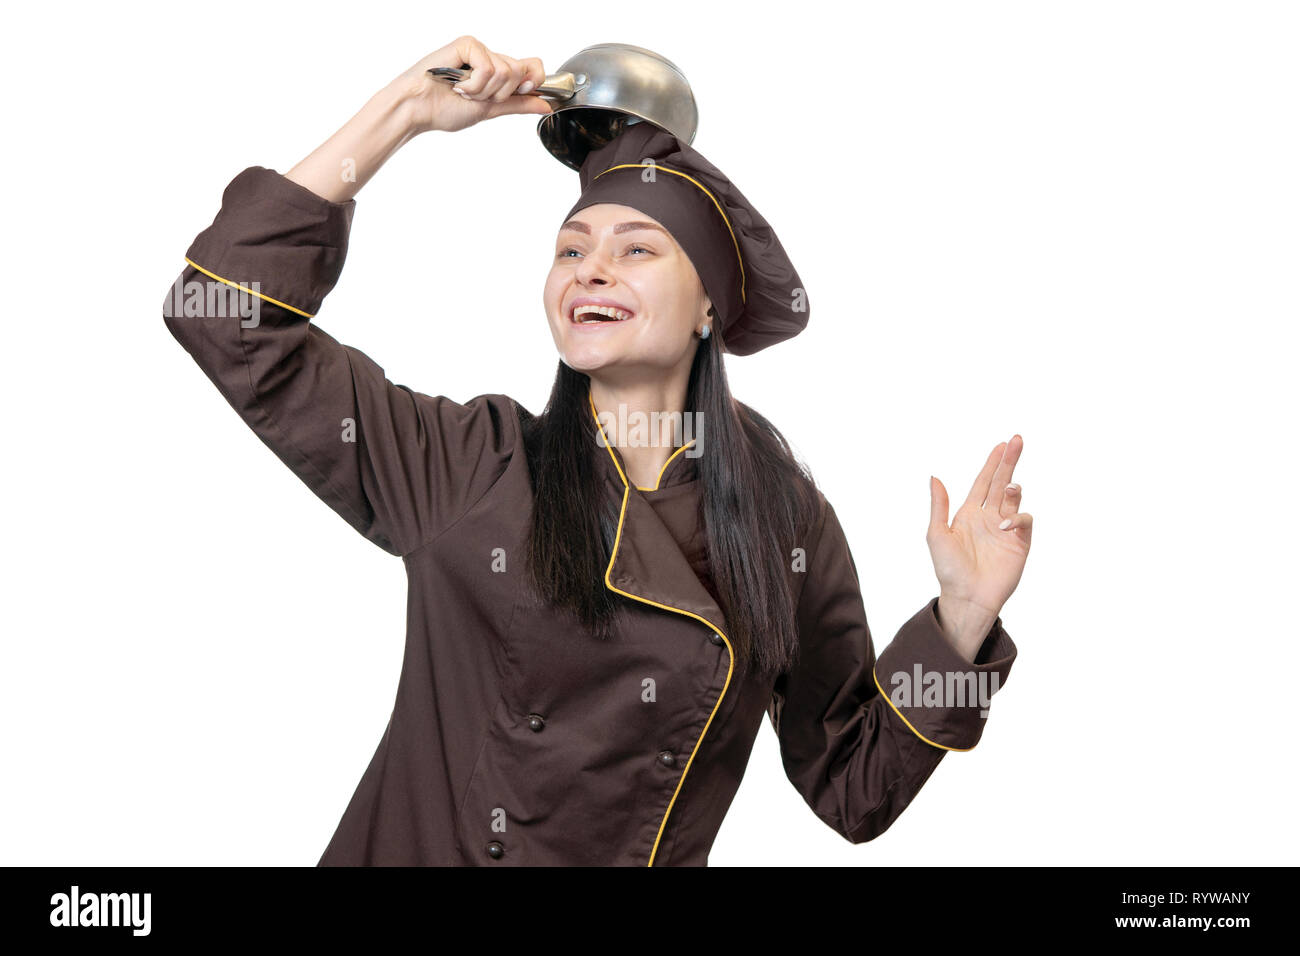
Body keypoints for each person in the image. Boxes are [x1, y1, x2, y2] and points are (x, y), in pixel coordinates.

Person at [162, 36, 1032, 866]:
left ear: (708, 311)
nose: (590, 270)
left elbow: (853, 787)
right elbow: (223, 314)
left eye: (637, 250)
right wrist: (405, 112)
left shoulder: (782, 523)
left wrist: (960, 628)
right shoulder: (475, 466)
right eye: (570, 250)